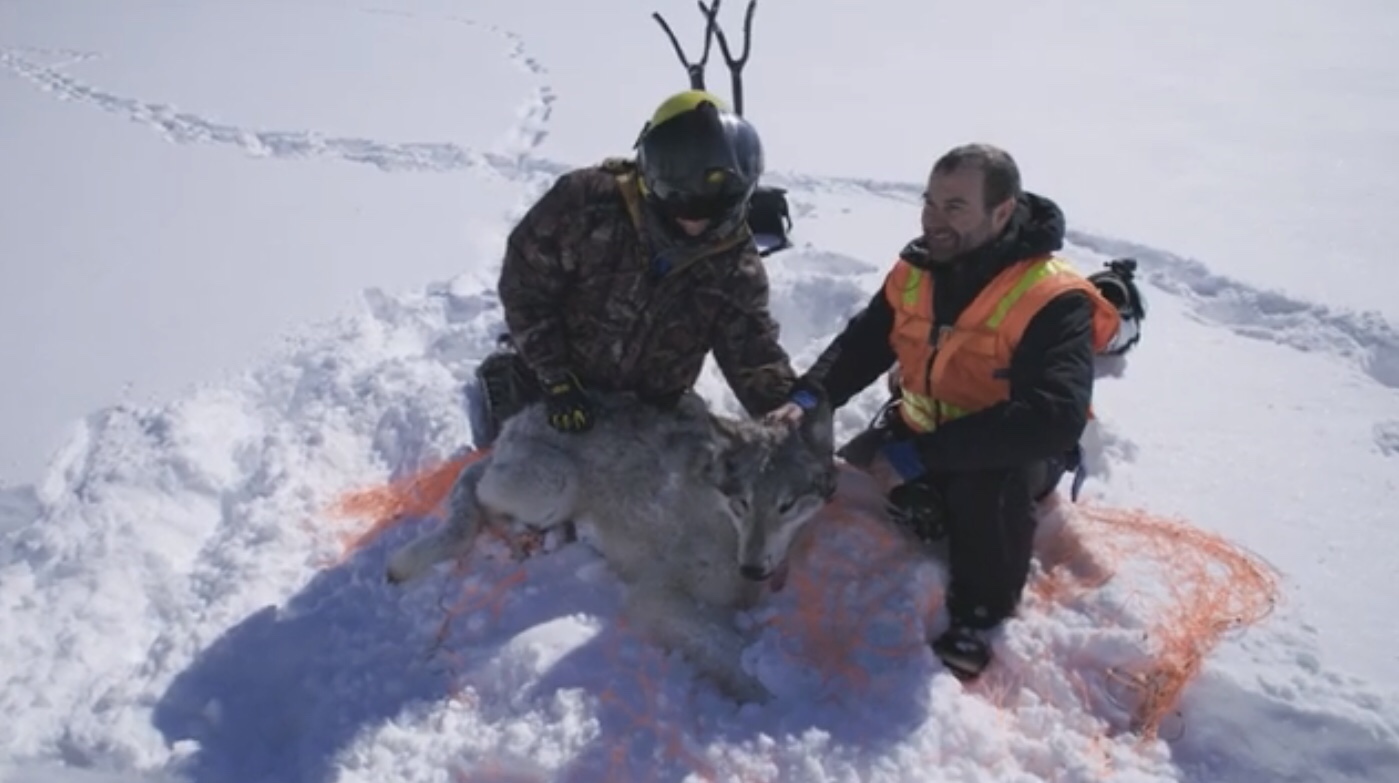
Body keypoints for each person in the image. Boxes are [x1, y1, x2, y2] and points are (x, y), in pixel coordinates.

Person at [768, 143, 1140, 680]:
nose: (933, 221)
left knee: (983, 489)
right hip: (917, 428)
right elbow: (864, 344)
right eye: (929, 203)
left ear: (1002, 212)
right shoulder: (917, 268)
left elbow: (1052, 418)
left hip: (1006, 449)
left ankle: (978, 616)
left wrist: (923, 458)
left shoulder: (1051, 297)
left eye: (955, 207)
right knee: (832, 483)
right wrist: (808, 398)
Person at [479, 89, 803, 437]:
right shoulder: (584, 204)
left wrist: (789, 412)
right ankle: (504, 380)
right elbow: (525, 288)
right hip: (557, 386)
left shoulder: (735, 267)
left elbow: (753, 352)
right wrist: (554, 376)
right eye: (683, 205)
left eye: (711, 209)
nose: (695, 224)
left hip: (649, 408)